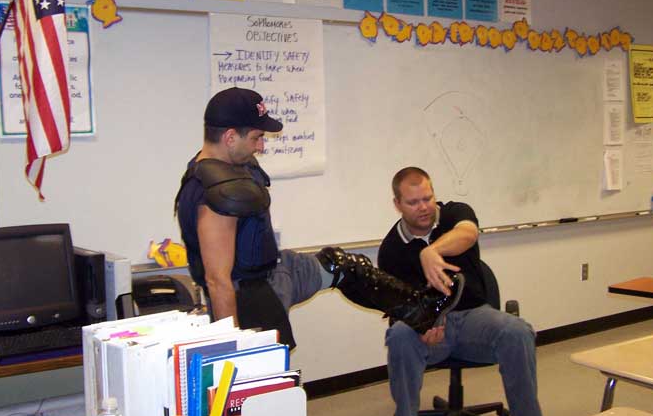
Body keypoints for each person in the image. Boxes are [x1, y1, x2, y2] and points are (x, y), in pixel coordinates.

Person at [174, 88, 462, 349]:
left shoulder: (226, 163)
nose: (261, 146)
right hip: (252, 295)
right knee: (270, 388)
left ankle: (421, 310)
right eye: (257, 138)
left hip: (276, 267)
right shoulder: (216, 196)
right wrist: (230, 351)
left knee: (344, 266)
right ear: (229, 137)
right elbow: (218, 280)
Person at [362, 166, 545, 416]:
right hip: (431, 329)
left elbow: (468, 233)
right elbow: (399, 308)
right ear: (397, 204)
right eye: (413, 202)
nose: (423, 207)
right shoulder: (391, 250)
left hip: (474, 318)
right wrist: (422, 326)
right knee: (399, 336)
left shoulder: (453, 213)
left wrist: (430, 251)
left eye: (427, 198)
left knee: (517, 331)